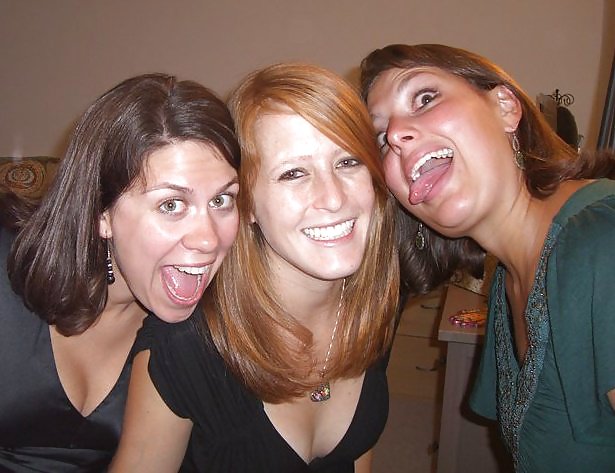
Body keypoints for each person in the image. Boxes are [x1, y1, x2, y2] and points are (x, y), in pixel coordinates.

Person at [110, 63, 400, 473]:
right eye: (294, 173)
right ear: (245, 203)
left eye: (348, 162)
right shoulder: (185, 348)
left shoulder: (375, 305)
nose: (334, 198)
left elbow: (356, 454)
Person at [360, 43, 615, 473]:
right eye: (382, 138)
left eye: (424, 98)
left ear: (505, 107)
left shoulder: (602, 242)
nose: (397, 135)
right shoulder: (506, 281)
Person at [0, 73, 240, 472]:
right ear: (102, 212)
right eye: (171, 205)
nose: (208, 239)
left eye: (222, 200)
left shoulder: (199, 333)